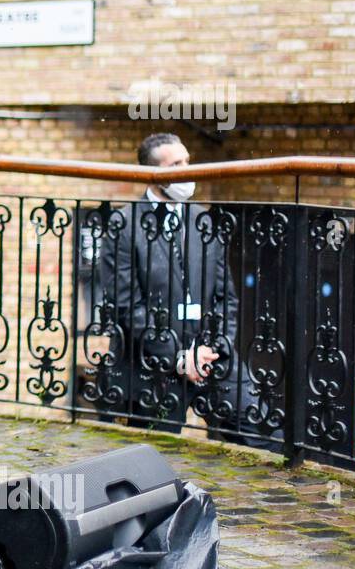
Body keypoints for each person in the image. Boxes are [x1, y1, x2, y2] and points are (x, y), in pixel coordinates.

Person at [95, 132, 258, 440]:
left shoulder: (204, 222)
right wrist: (180, 357)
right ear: (155, 175)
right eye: (177, 164)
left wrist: (210, 349)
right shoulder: (124, 225)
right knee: (156, 451)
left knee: (260, 433)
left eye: (187, 161)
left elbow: (226, 299)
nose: (188, 170)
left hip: (210, 356)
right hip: (152, 362)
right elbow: (128, 306)